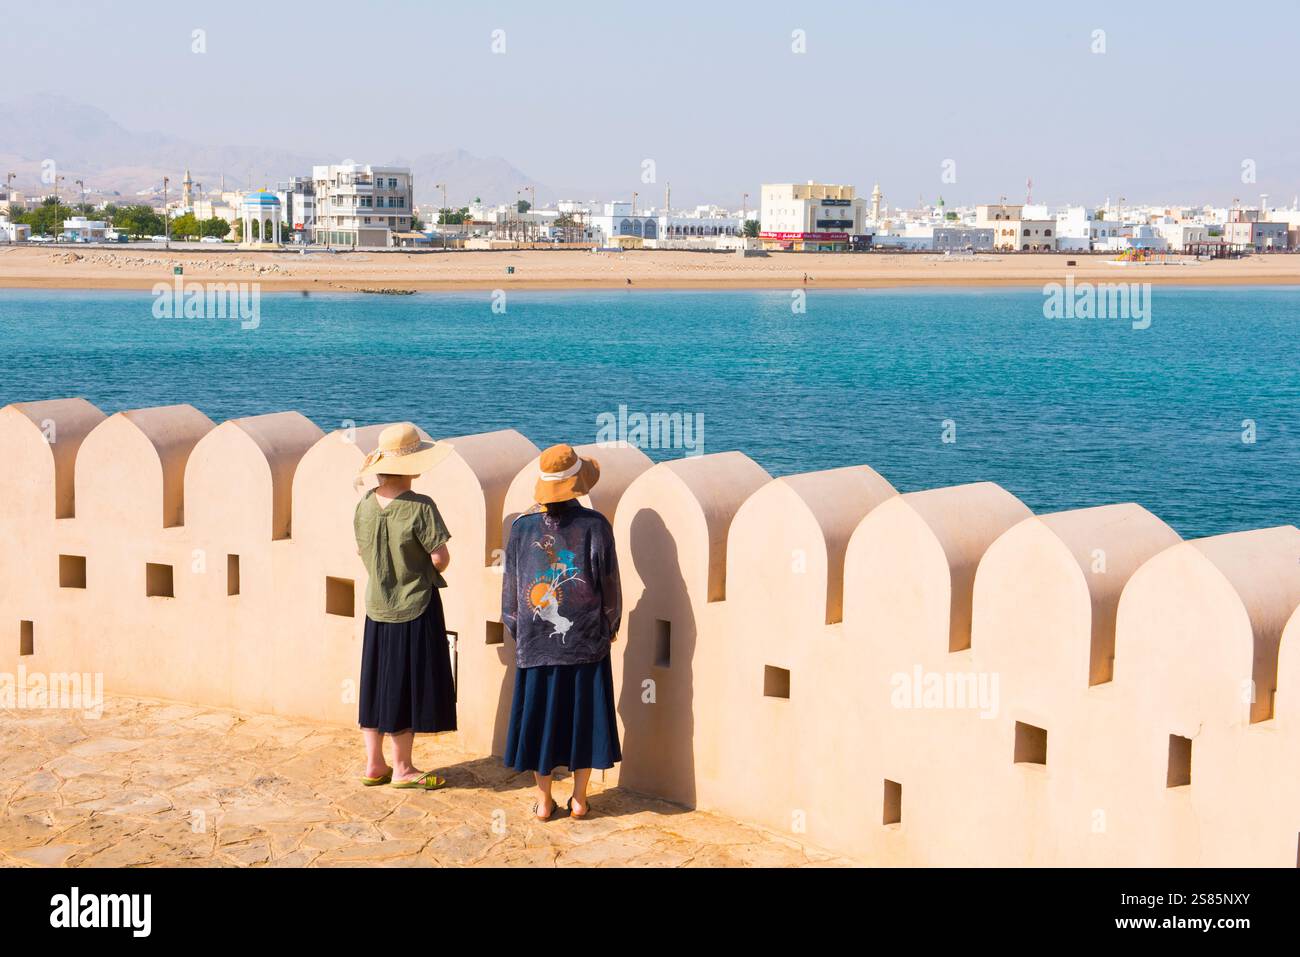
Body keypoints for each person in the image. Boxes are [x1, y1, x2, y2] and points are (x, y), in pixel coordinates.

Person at [501, 444, 622, 820]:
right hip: (586, 643)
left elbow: (510, 592)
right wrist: (610, 629)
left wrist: (520, 633)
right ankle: (580, 799)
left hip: (536, 646)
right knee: (583, 720)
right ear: (576, 485)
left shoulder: (521, 528)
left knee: (540, 722)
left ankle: (542, 801)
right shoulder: (596, 525)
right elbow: (609, 586)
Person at [353, 422, 456, 790]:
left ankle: (374, 764)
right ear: (412, 467)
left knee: (375, 682)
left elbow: (362, 550)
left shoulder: (365, 504)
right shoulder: (420, 507)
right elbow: (440, 558)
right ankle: (403, 768)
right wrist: (421, 569)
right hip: (414, 605)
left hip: (376, 605)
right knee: (404, 685)